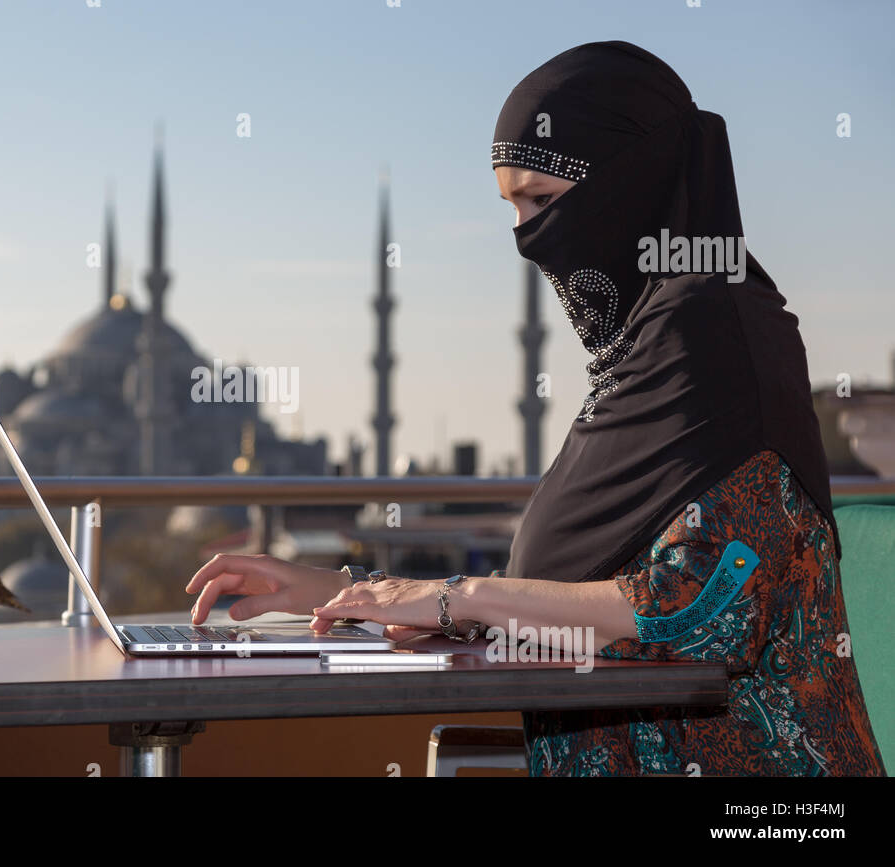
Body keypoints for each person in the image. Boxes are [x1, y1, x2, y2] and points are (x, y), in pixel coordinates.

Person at [185, 41, 886, 776]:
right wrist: (343, 593)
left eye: (543, 202)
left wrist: (458, 597)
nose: (524, 239)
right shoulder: (648, 349)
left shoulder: (713, 329)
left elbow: (691, 616)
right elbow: (567, 592)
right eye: (511, 206)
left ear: (630, 185)